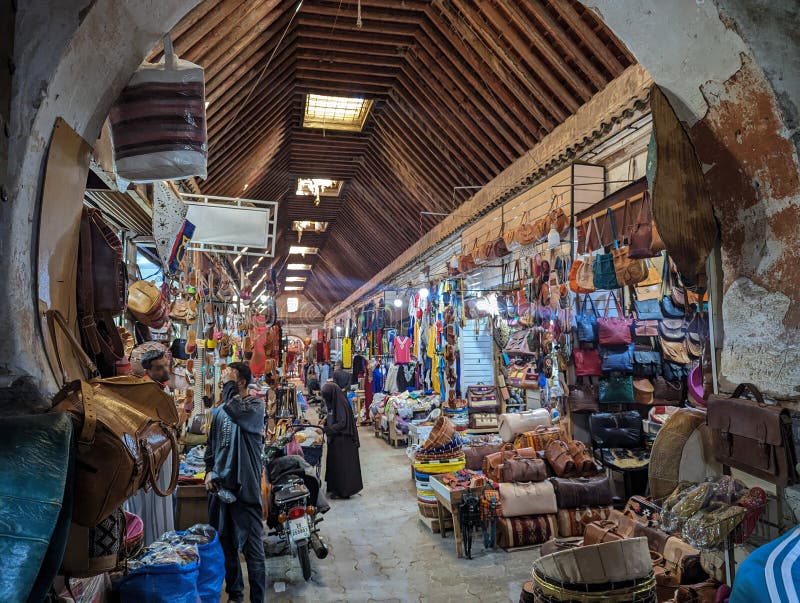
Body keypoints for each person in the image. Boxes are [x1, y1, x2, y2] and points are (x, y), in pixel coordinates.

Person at [204, 362, 266, 603]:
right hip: (222, 489)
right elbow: (211, 447)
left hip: (246, 489)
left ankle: (257, 599)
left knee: (253, 551)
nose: (223, 379)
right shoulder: (220, 411)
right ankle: (235, 595)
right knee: (227, 546)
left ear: (241, 382)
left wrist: (229, 387)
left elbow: (235, 410)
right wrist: (209, 471)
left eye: (229, 376)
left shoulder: (254, 407)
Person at [125, 348, 176, 545]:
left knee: (160, 500)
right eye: (159, 367)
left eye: (165, 365)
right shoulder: (144, 392)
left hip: (162, 451)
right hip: (150, 453)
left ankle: (160, 542)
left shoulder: (161, 389)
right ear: (148, 371)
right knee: (150, 502)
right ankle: (149, 544)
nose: (165, 370)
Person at [321, 382, 363, 499]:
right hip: (337, 439)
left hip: (344, 440)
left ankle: (343, 491)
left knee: (342, 467)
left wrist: (326, 429)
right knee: (336, 464)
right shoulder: (336, 401)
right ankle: (335, 489)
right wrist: (325, 421)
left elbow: (342, 423)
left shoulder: (342, 404)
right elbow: (333, 415)